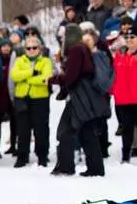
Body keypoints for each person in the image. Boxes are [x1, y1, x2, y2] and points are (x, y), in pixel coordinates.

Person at [51, 24, 107, 177]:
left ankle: (65, 167)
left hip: (79, 97)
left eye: (64, 36)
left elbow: (71, 77)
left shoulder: (76, 50)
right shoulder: (83, 48)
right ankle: (96, 168)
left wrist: (53, 79)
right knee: (87, 132)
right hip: (86, 96)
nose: (62, 40)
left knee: (65, 131)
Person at [10, 36, 53, 167]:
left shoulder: (46, 61)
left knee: (41, 129)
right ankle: (22, 156)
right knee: (22, 129)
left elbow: (45, 78)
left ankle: (42, 156)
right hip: (22, 98)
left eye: (34, 48)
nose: (31, 50)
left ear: (39, 49)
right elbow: (14, 75)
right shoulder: (19, 60)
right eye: (28, 48)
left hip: (40, 98)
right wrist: (32, 72)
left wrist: (26, 79)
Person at [112, 32, 137, 162]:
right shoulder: (119, 56)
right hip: (124, 99)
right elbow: (114, 75)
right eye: (126, 38)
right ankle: (125, 156)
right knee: (126, 128)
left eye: (132, 37)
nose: (129, 40)